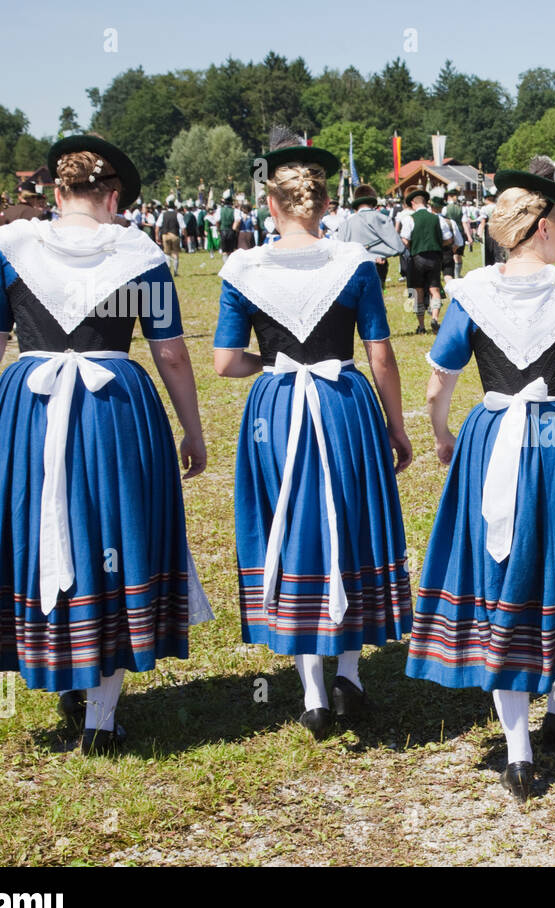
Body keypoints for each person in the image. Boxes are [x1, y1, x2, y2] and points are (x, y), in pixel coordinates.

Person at [0, 134, 212, 755]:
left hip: (27, 406)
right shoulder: (141, 255)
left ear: (56, 192)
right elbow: (169, 353)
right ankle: (100, 714)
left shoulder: (10, 249)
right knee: (116, 536)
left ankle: (63, 671)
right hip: (115, 404)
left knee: (38, 530)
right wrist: (193, 430)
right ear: (113, 195)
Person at [405, 157, 555, 803]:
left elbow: (439, 383)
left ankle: (520, 748)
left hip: (492, 436)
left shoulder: (472, 292)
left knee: (502, 570)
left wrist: (441, 434)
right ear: (540, 226)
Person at [214, 131, 413, 740]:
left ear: (271, 206)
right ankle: (350, 674)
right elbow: (380, 354)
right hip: (344, 401)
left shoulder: (242, 267)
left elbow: (225, 361)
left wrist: (271, 367)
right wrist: (396, 428)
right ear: (326, 207)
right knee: (349, 521)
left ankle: (310, 692)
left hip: (275, 408)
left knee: (290, 523)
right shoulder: (355, 264)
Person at [399, 186, 449, 334]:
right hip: (435, 258)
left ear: (413, 203)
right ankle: (434, 318)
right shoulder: (437, 218)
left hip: (417, 258)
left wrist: (414, 246)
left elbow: (405, 240)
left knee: (418, 292)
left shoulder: (409, 219)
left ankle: (421, 326)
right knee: (434, 290)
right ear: (426, 202)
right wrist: (436, 243)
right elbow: (448, 239)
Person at [340, 184, 405, 285]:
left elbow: (341, 251)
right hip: (377, 265)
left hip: (354, 267)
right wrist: (380, 254)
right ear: (373, 200)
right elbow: (398, 247)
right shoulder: (381, 218)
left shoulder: (346, 224)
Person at [156, 199, 182, 275]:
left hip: (165, 235)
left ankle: (168, 269)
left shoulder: (162, 214)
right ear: (174, 207)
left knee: (167, 253)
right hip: (174, 235)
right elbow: (183, 227)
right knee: (175, 253)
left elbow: (157, 227)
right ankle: (175, 271)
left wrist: (157, 236)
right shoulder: (178, 214)